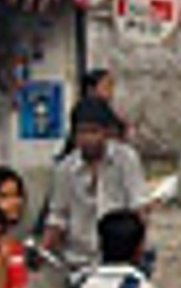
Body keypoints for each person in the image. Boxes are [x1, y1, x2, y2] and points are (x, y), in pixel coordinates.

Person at [43, 101, 149, 277]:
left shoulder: (125, 160)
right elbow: (58, 215)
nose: (88, 139)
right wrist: (44, 248)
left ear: (106, 133)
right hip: (78, 260)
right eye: (82, 132)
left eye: (94, 131)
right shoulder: (65, 169)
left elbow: (138, 207)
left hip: (119, 260)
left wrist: (138, 249)